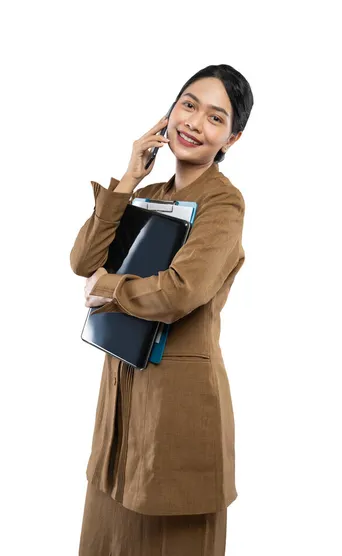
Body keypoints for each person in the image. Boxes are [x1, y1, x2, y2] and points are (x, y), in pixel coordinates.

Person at [71, 63, 254, 555]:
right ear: (170, 112)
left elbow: (180, 291)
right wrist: (130, 176)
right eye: (188, 105)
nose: (195, 122)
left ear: (230, 140)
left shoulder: (223, 205)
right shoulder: (149, 196)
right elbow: (82, 261)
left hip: (177, 406)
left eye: (216, 118)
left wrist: (109, 288)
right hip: (121, 402)